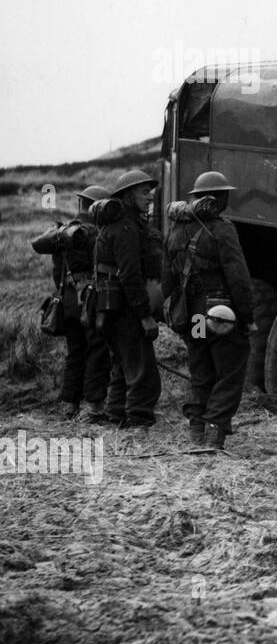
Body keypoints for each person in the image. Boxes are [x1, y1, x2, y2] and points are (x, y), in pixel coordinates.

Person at [161, 171, 255, 449]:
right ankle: (215, 429)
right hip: (219, 314)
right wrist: (248, 318)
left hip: (193, 317)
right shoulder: (223, 229)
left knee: (201, 370)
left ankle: (197, 429)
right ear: (218, 199)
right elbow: (239, 279)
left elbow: (167, 279)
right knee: (230, 370)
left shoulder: (176, 230)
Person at [30, 184, 112, 418]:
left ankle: (70, 404)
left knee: (75, 352)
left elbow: (58, 273)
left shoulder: (62, 233)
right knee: (97, 349)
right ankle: (94, 406)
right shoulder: (96, 232)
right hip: (91, 300)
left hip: (67, 300)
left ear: (81, 204)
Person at [89, 169, 163, 428]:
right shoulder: (126, 228)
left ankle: (117, 418)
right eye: (144, 192)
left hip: (112, 310)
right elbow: (130, 275)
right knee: (145, 375)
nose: (150, 197)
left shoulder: (117, 225)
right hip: (127, 312)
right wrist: (145, 316)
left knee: (122, 368)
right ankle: (139, 425)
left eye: (150, 191)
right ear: (128, 195)